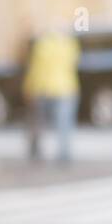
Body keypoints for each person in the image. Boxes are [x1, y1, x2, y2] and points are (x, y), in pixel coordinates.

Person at [23, 23, 81, 163]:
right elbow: (74, 63)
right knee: (63, 125)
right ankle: (64, 154)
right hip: (66, 89)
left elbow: (35, 68)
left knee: (38, 123)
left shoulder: (42, 45)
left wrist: (29, 87)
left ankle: (36, 152)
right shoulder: (69, 45)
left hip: (43, 88)